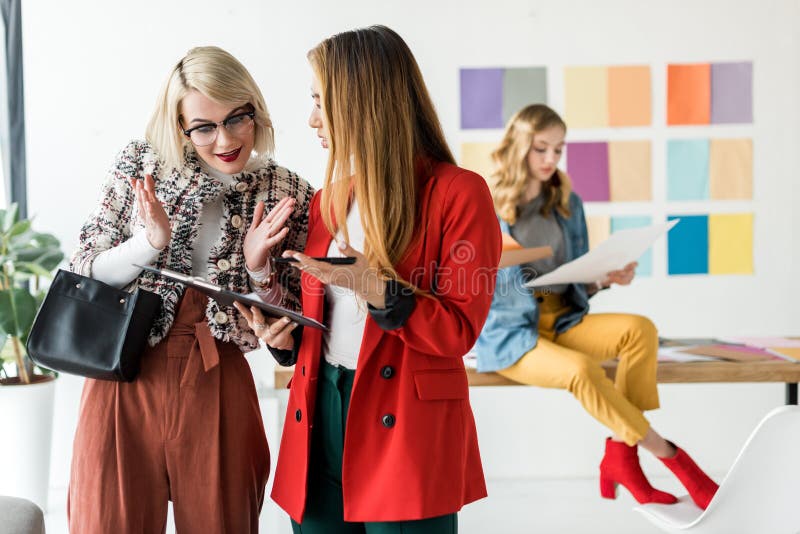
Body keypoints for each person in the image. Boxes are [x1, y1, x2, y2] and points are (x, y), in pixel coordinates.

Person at [235, 25, 501, 533]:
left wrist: (375, 288)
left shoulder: (458, 194)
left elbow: (458, 331)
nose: (312, 118)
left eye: (321, 101)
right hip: (317, 411)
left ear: (362, 102)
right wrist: (282, 332)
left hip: (405, 424)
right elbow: (322, 322)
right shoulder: (328, 199)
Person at [68, 46, 314, 533]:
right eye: (203, 126)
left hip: (218, 379)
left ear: (255, 110)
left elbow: (291, 326)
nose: (224, 139)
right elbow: (84, 270)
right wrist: (149, 242)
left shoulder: (288, 192)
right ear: (179, 124)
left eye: (236, 118)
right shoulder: (141, 164)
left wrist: (259, 271)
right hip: (122, 376)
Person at [474, 104, 719, 510]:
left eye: (558, 149)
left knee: (640, 329)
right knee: (582, 370)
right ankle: (671, 457)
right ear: (520, 148)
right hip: (511, 336)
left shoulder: (568, 203)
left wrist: (603, 278)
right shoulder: (487, 207)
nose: (551, 159)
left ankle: (620, 457)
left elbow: (576, 272)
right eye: (541, 149)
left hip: (562, 318)